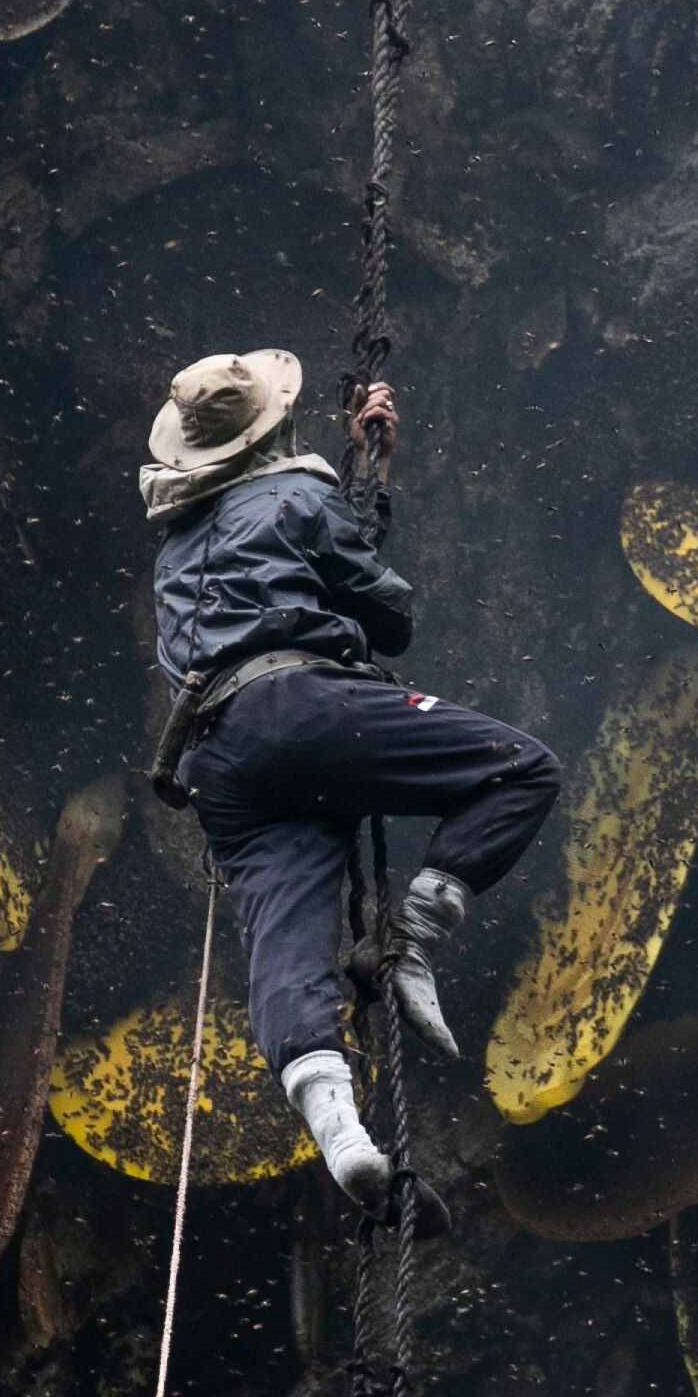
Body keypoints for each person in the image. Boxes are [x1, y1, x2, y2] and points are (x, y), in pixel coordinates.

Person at [142, 349, 561, 1204]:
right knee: (521, 769)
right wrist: (361, 491)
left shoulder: (174, 552)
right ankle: (412, 939)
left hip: (218, 758)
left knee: (287, 937)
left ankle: (340, 1134)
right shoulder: (299, 496)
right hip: (304, 711)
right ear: (272, 426)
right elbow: (388, 616)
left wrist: (355, 485)